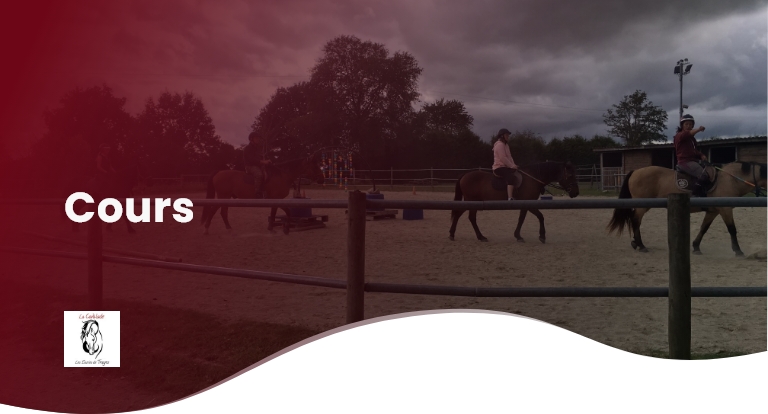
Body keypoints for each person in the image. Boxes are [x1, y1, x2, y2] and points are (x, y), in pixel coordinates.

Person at [673, 114, 709, 197]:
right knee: (703, 174)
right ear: (682, 125)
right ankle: (695, 195)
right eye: (686, 124)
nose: (689, 126)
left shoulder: (691, 139)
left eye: (691, 124)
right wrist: (699, 129)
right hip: (684, 162)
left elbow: (693, 150)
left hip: (693, 161)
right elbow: (688, 133)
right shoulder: (679, 136)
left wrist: (701, 155)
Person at [492, 128, 522, 200]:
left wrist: (514, 165)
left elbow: (509, 157)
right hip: (499, 167)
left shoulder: (506, 145)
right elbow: (503, 158)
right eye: (506, 135)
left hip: (506, 166)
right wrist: (511, 166)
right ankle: (510, 197)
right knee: (511, 177)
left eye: (508, 135)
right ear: (502, 136)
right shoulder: (499, 145)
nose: (508, 136)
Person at [243, 131, 272, 198]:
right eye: (256, 138)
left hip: (257, 165)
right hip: (250, 166)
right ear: (251, 139)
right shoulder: (247, 148)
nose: (258, 139)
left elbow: (260, 157)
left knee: (267, 172)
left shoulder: (256, 148)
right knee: (259, 174)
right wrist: (263, 162)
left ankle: (265, 190)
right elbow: (252, 160)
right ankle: (257, 193)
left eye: (258, 138)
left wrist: (267, 161)